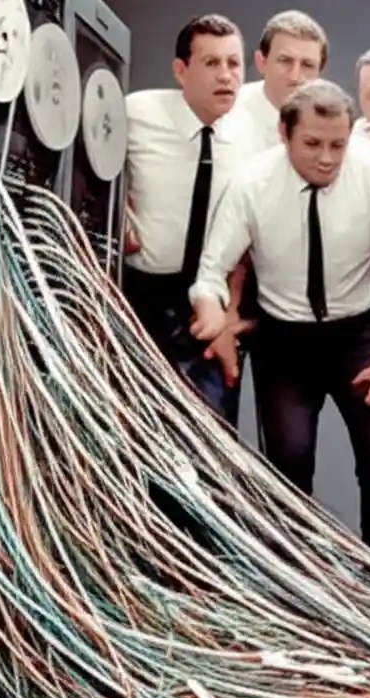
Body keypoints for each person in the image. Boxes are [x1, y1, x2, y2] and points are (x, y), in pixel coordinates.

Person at [189, 80, 370, 567]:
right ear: (284, 133)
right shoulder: (252, 183)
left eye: (338, 144)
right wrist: (211, 306)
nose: (327, 158)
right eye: (313, 144)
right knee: (289, 463)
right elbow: (211, 271)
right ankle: (302, 584)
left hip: (360, 332)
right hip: (285, 339)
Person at [123, 15, 256, 427]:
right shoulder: (134, 113)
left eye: (233, 63)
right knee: (134, 425)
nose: (226, 75)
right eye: (211, 63)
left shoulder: (254, 136)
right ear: (181, 70)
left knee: (210, 432)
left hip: (211, 304)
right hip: (137, 296)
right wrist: (119, 215)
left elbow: (252, 235)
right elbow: (82, 168)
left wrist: (231, 315)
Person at [233, 10, 328, 149]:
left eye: (307, 65)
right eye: (285, 61)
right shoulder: (226, 113)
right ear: (261, 63)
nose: (295, 77)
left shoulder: (333, 124)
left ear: (319, 73)